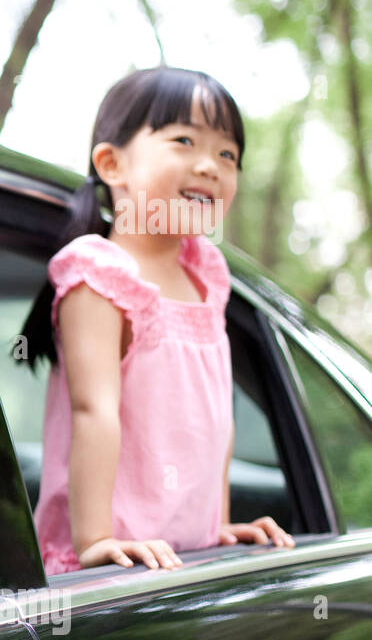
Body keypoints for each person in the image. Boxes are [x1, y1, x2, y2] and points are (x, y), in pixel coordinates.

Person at [17, 66, 295, 575]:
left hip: (178, 562)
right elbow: (92, 412)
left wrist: (216, 527)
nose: (210, 165)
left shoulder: (206, 274)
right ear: (112, 164)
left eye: (227, 154)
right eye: (185, 141)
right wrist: (95, 540)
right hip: (109, 571)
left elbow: (216, 416)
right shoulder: (101, 275)